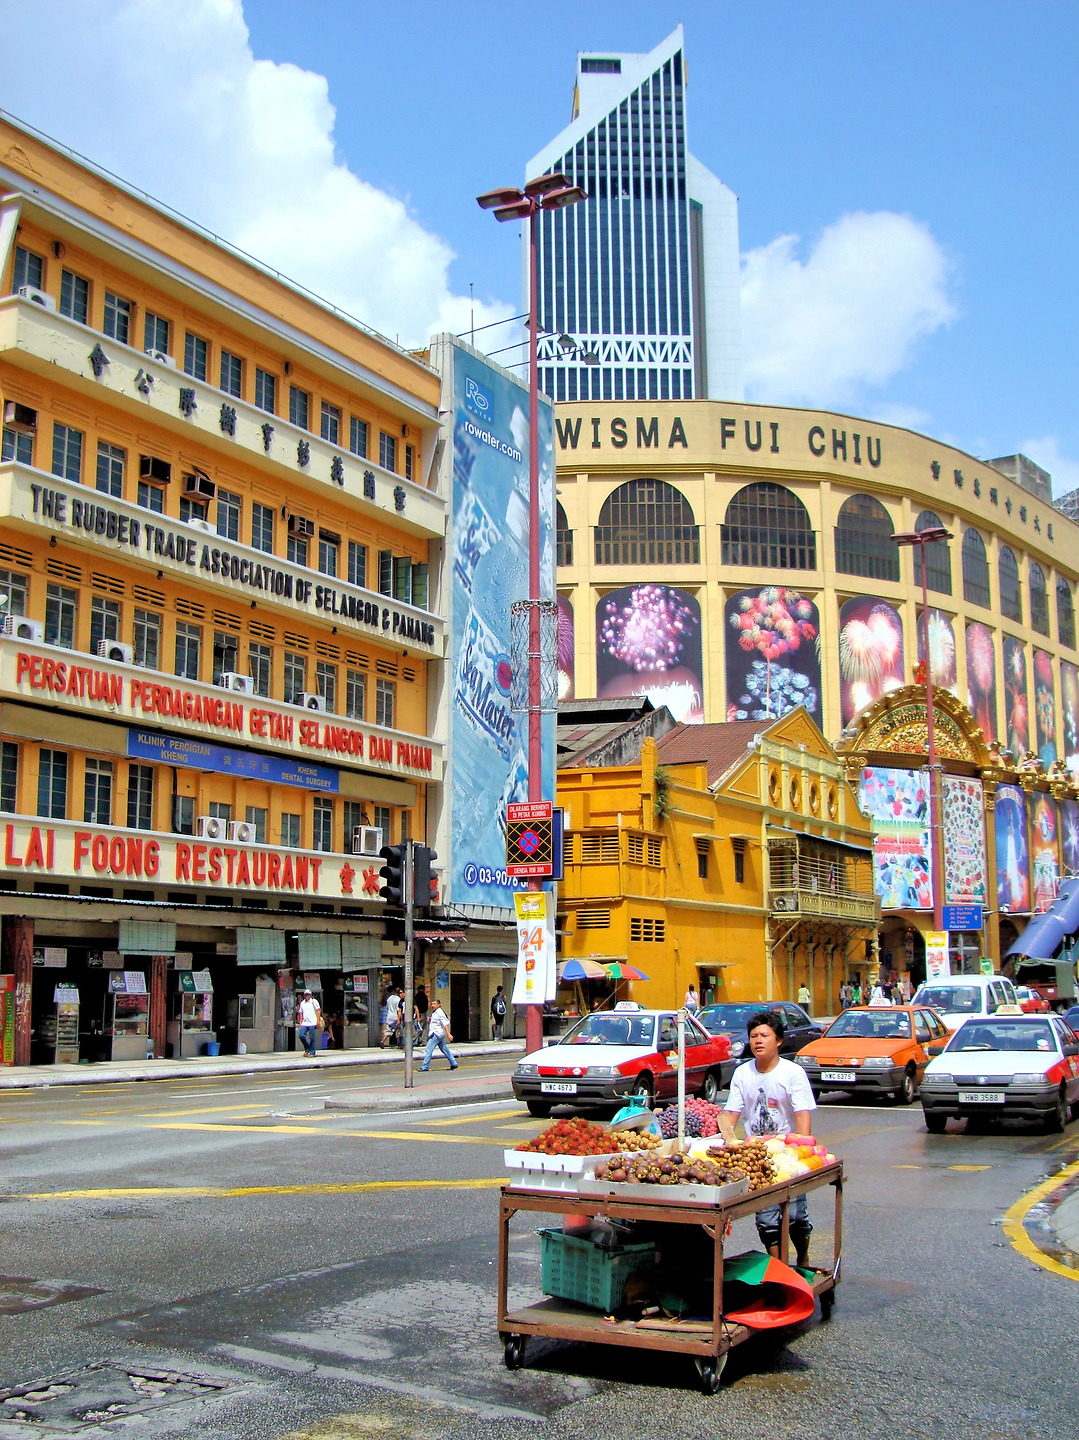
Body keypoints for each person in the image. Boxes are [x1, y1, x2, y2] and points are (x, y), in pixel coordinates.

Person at [719, 1009, 816, 1268]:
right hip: (757, 1156)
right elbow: (732, 1113)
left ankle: (803, 1257)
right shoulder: (742, 1073)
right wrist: (721, 1139)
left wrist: (800, 1153)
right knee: (766, 1219)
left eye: (764, 1035)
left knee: (795, 1216)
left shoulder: (792, 1073)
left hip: (787, 1156)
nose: (758, 1041)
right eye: (753, 1036)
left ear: (779, 1040)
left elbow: (802, 1114)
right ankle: (780, 1266)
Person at [420, 998, 458, 1071]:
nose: (432, 1005)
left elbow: (445, 1024)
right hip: (438, 1034)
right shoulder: (434, 1012)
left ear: (439, 1005)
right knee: (444, 1049)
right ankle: (453, 1063)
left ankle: (425, 1066)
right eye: (432, 1004)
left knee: (428, 1050)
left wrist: (448, 1034)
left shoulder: (440, 1012)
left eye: (434, 1004)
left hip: (436, 1034)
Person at [296, 989, 323, 1059]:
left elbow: (318, 1011)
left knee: (312, 1037)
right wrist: (300, 1022)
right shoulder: (302, 1003)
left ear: (310, 995)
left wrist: (317, 1020)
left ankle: (312, 1052)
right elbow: (300, 1013)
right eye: (305, 994)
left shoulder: (314, 1002)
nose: (307, 996)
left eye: (308, 994)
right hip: (305, 1023)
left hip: (312, 1022)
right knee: (301, 1035)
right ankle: (307, 1048)